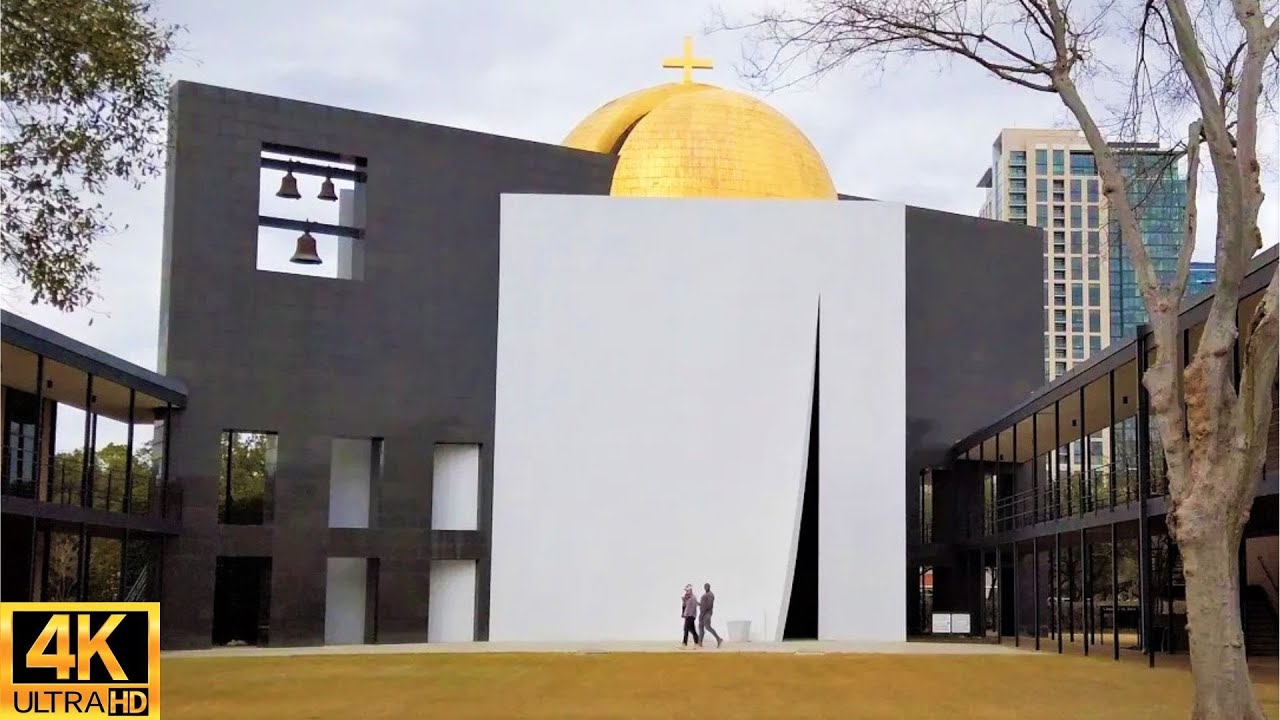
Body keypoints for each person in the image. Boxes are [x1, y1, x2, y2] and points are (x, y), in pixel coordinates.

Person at [699, 583, 723, 648]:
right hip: (702, 613)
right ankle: (700, 642)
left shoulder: (710, 594)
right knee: (701, 627)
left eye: (707, 586)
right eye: (705, 586)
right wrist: (698, 604)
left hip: (707, 613)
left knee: (707, 626)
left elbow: (710, 605)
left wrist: (704, 611)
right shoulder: (705, 594)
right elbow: (703, 604)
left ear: (709, 587)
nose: (706, 587)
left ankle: (718, 639)